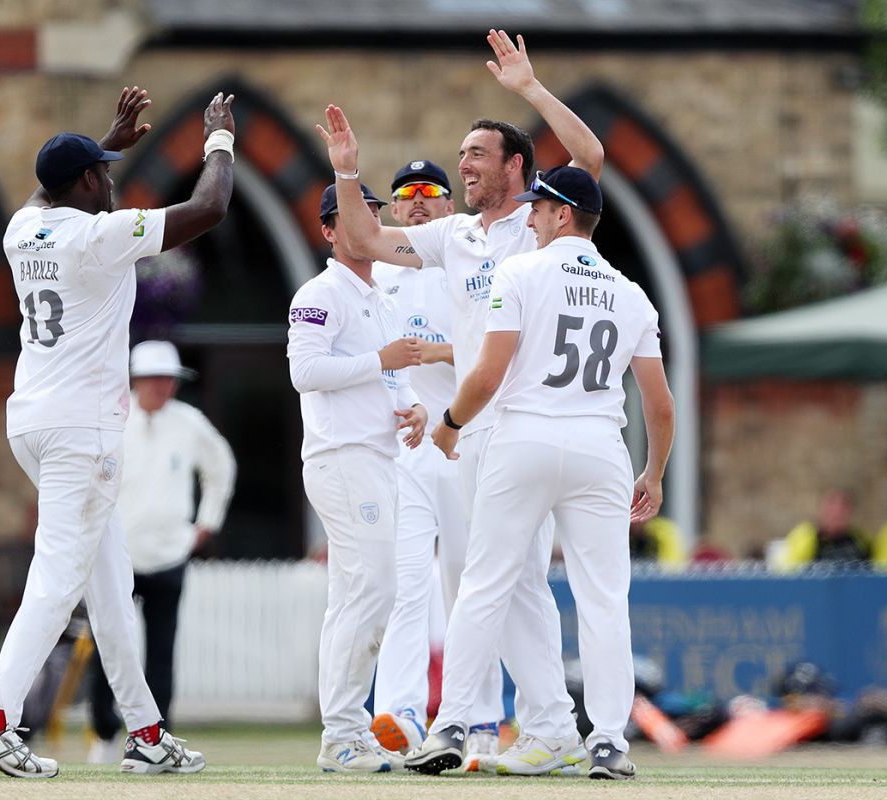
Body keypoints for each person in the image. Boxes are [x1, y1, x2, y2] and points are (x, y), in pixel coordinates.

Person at [318, 28, 605, 774]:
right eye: (463, 154)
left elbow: (592, 161)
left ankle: (474, 725)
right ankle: (542, 727)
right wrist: (347, 173)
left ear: (517, 168)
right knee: (504, 583)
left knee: (493, 580)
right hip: (470, 433)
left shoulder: (537, 226)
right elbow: (363, 237)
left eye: (477, 154)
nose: (464, 165)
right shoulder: (457, 237)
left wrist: (529, 92)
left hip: (516, 421)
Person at [0, 86, 235, 779]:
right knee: (56, 580)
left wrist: (106, 141)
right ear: (85, 183)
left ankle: (143, 732)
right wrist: (220, 140)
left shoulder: (22, 230)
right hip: (83, 428)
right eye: (103, 172)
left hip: (35, 421)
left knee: (108, 586)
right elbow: (210, 208)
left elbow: (47, 190)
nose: (111, 181)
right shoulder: (101, 236)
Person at [405, 164, 675, 781]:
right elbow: (657, 404)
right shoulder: (631, 291)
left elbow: (487, 372)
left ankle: (449, 725)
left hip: (523, 436)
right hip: (600, 447)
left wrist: (448, 422)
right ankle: (608, 740)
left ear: (560, 214)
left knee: (484, 582)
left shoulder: (520, 271)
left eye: (537, 209)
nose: (527, 217)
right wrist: (654, 473)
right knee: (604, 598)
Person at [287, 181, 429, 772]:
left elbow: (392, 377)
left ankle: (344, 732)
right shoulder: (319, 293)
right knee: (374, 589)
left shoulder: (380, 298)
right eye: (352, 215)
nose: (366, 223)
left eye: (372, 214)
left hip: (376, 456)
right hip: (341, 457)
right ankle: (342, 732)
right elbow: (305, 371)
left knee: (357, 595)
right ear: (328, 230)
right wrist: (383, 361)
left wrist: (415, 405)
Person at [87, 340, 236, 762]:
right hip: (118, 556)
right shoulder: (111, 418)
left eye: (167, 379)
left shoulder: (189, 422)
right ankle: (103, 732)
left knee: (162, 652)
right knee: (110, 646)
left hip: (170, 554)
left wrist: (206, 523)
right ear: (136, 380)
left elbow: (221, 467)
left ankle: (156, 737)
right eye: (153, 378)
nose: (161, 387)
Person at [369, 159, 462, 756]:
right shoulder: (378, 272)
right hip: (402, 447)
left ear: (449, 207)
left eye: (431, 193)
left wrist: (432, 354)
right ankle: (397, 713)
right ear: (394, 211)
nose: (419, 202)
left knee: (465, 586)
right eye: (406, 195)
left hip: (463, 439)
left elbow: (499, 350)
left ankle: (473, 716)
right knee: (403, 584)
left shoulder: (469, 261)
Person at [779, 490, 870, 570]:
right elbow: (790, 571)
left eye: (843, 506)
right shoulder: (806, 539)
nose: (837, 511)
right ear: (821, 509)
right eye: (832, 504)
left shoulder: (859, 543)